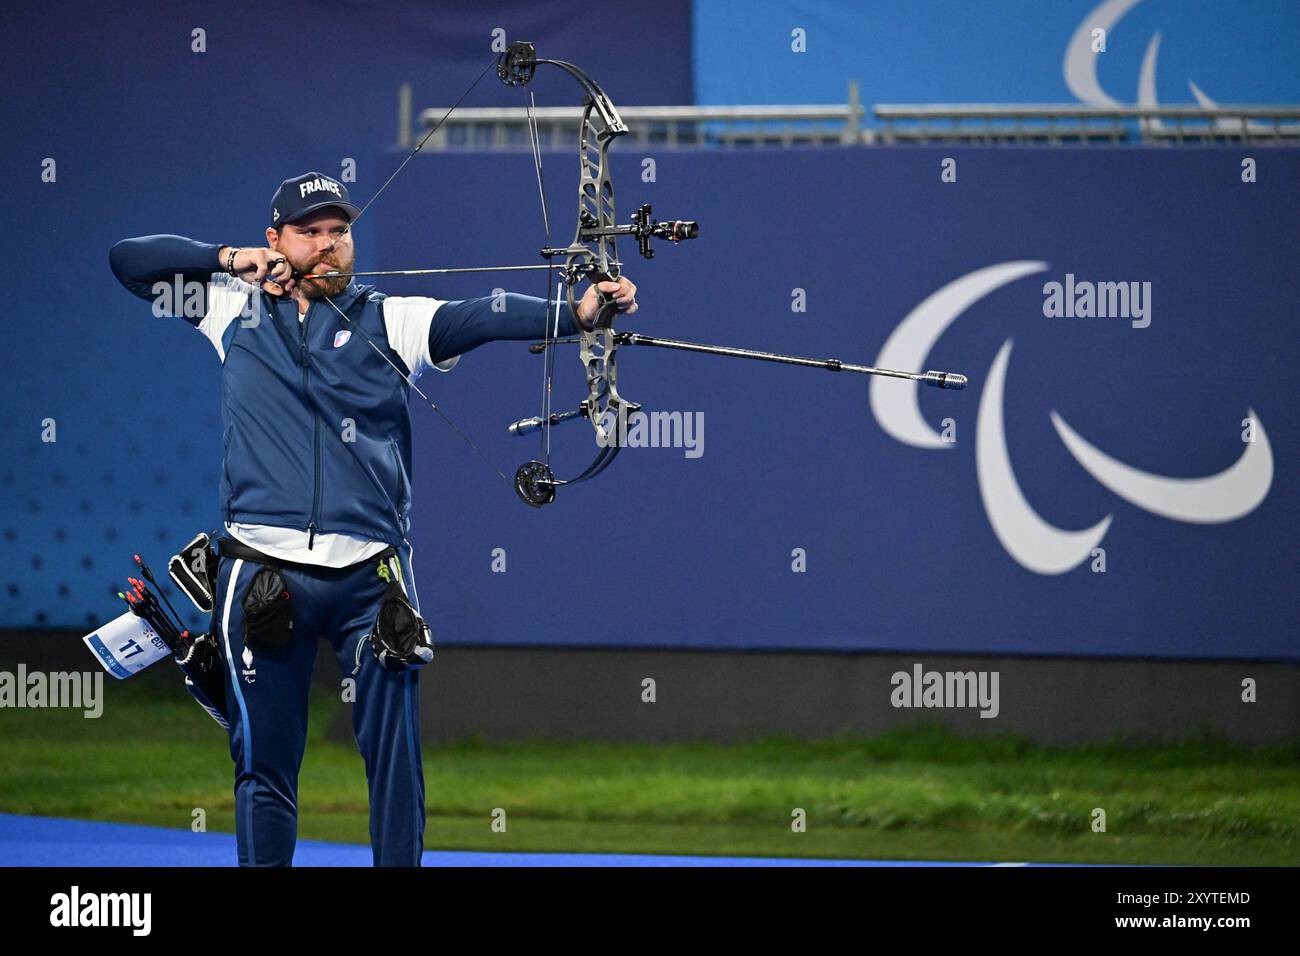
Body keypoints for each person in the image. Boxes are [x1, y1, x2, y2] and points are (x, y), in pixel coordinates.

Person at [108, 171, 638, 866]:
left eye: (339, 232)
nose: (329, 245)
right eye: (311, 232)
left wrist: (580, 313)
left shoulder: (394, 319)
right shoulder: (225, 309)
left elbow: (485, 312)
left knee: (394, 765)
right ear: (276, 240)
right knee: (264, 766)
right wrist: (225, 258)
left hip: (370, 579)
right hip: (262, 574)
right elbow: (128, 260)